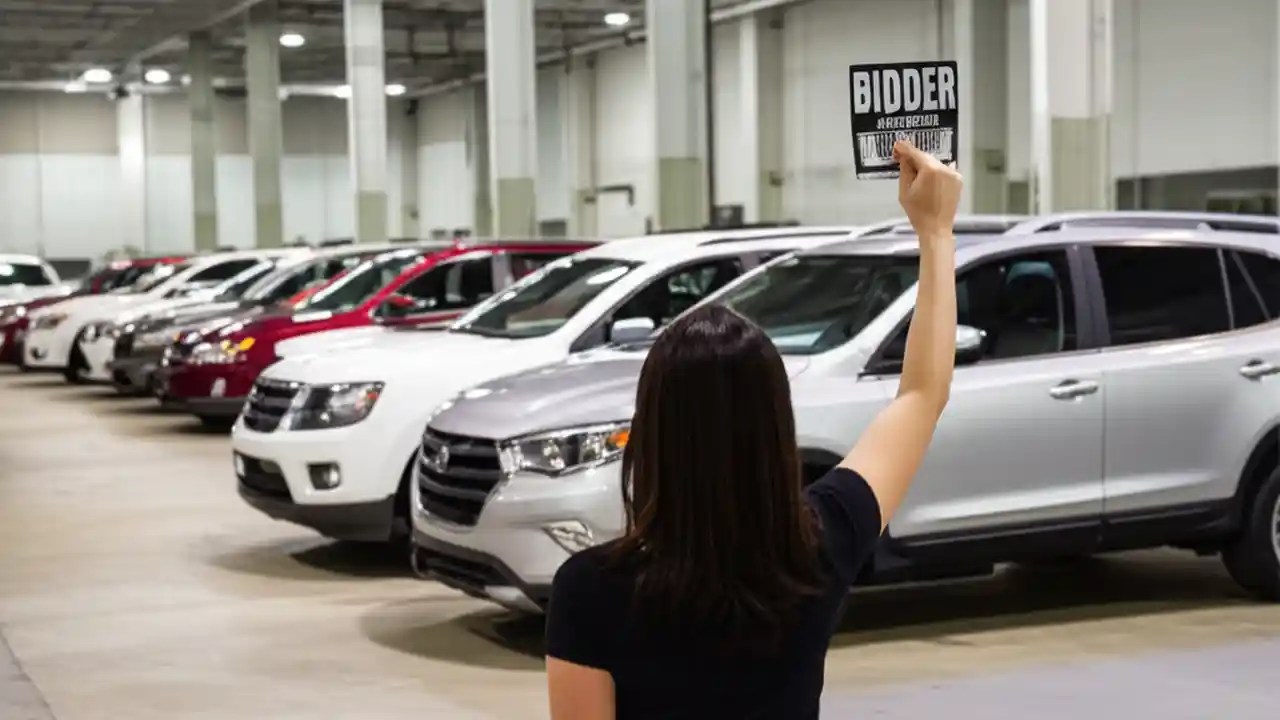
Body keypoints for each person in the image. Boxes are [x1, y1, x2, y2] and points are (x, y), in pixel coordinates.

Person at [545, 140, 962, 720]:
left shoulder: (588, 592)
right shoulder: (819, 548)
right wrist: (936, 233)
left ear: (654, 435)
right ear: (773, 429)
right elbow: (922, 395)